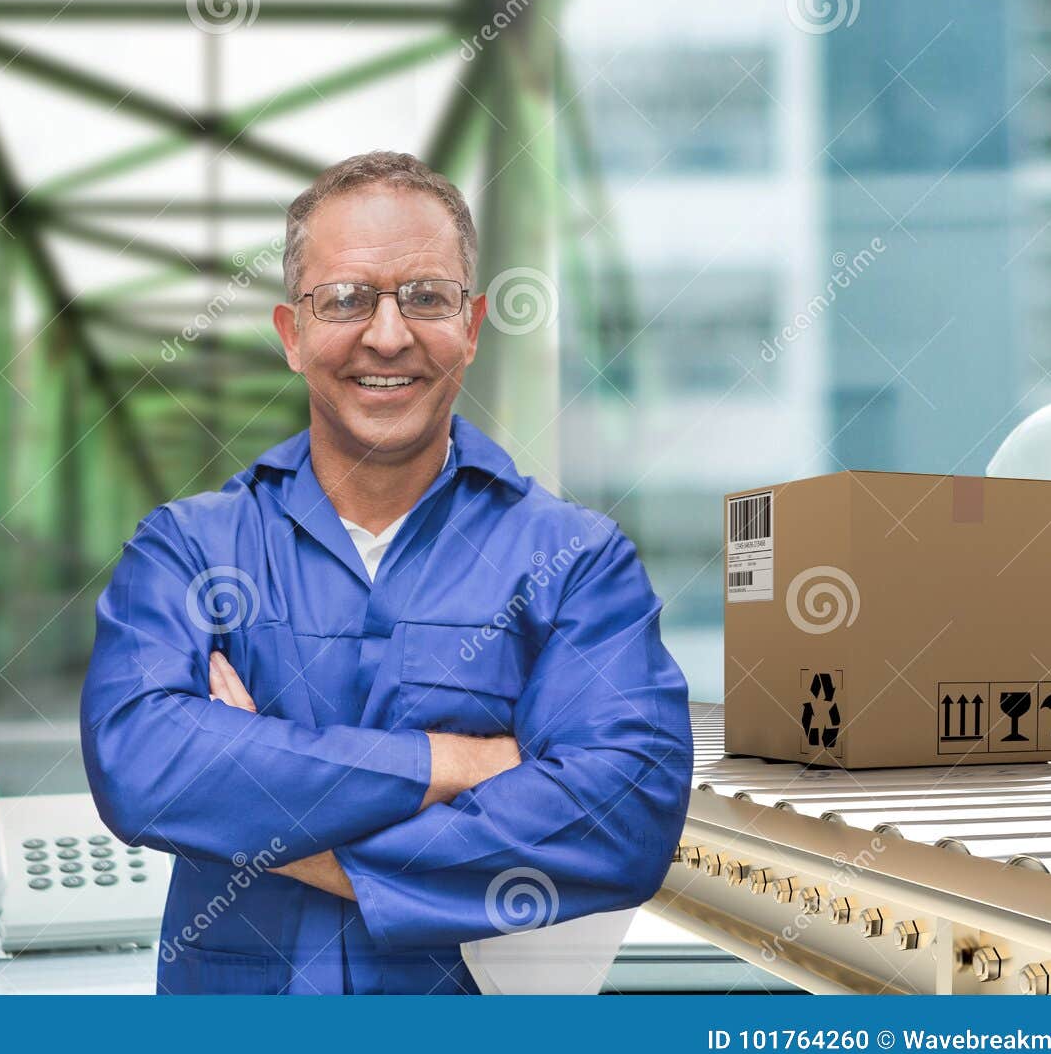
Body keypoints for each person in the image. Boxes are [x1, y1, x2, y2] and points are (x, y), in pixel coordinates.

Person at [80, 150, 693, 994]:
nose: (389, 333)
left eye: (427, 297)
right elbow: (142, 764)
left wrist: (277, 824)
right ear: (291, 335)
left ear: (473, 327)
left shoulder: (575, 563)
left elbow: (621, 816)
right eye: (345, 299)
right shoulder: (190, 549)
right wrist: (455, 763)